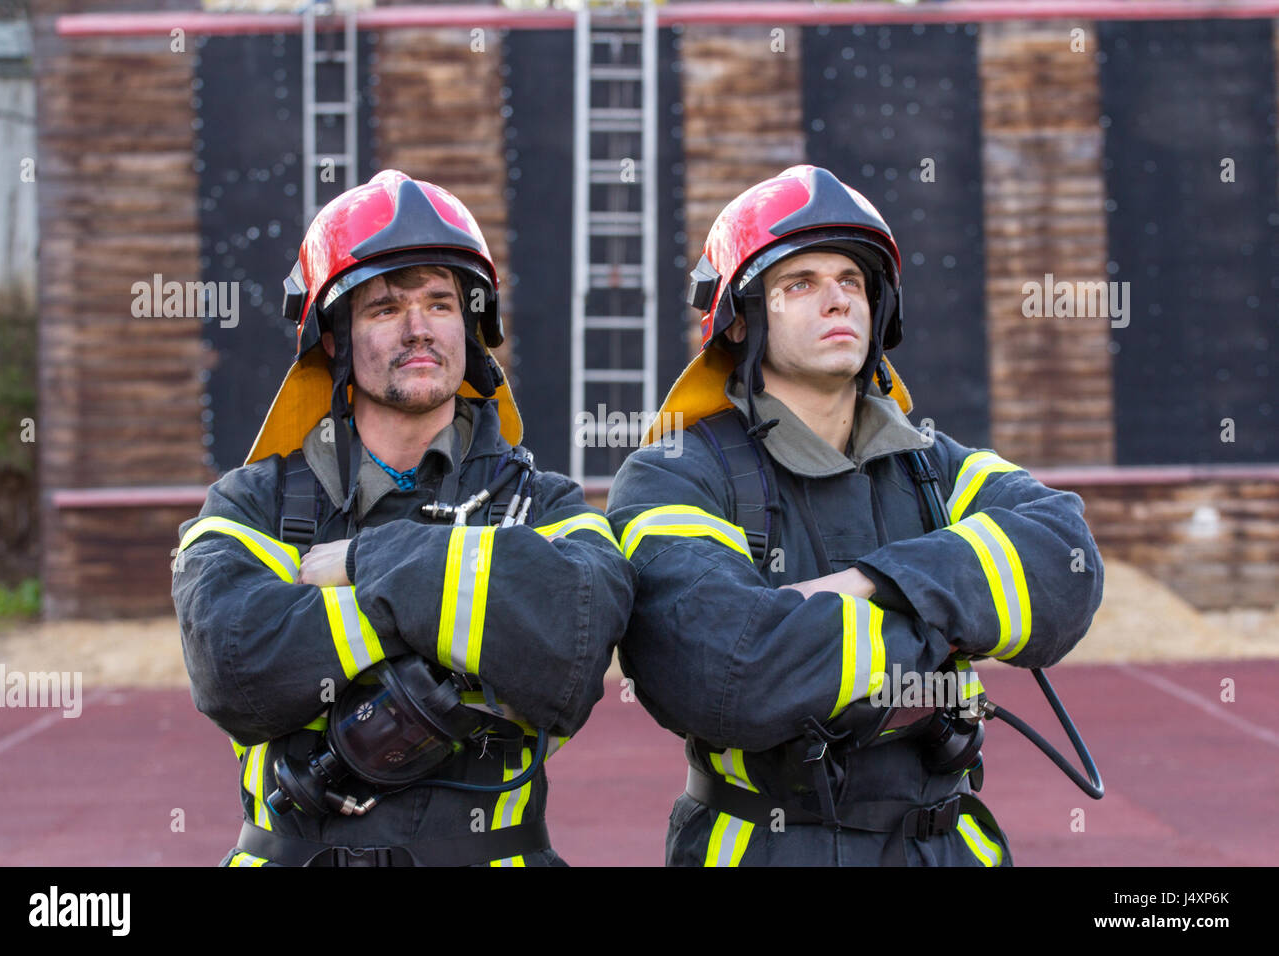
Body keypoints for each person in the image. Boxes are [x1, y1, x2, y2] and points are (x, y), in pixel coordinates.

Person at [606, 164, 1104, 866]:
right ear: (741, 319)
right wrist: (951, 622)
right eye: (799, 284)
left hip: (951, 849)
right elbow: (727, 670)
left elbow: (1066, 568)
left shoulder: (936, 465)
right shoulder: (675, 473)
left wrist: (868, 583)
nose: (837, 300)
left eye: (851, 280)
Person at [173, 169, 634, 867]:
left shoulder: (548, 504)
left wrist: (368, 567)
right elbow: (235, 668)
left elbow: (566, 655)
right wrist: (470, 605)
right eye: (386, 308)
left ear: (472, 326)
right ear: (334, 338)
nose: (419, 329)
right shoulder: (252, 502)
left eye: (440, 304)